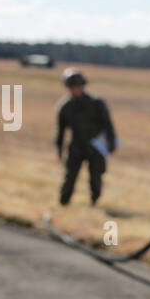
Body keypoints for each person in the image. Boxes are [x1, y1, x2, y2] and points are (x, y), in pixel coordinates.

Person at [55, 67, 116, 206]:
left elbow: (108, 125)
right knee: (70, 176)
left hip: (95, 146)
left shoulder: (97, 103)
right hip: (76, 146)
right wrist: (59, 149)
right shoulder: (65, 107)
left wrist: (110, 143)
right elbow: (60, 131)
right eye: (72, 87)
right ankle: (64, 202)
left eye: (77, 86)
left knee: (96, 176)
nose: (75, 89)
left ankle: (94, 201)